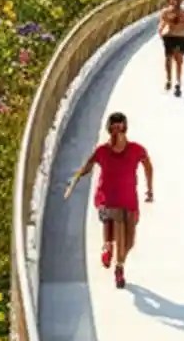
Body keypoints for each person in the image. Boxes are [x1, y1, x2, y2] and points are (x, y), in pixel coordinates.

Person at [65, 112, 154, 289]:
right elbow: (88, 166)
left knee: (130, 241)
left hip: (129, 199)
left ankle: (116, 257)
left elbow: (147, 165)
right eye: (113, 128)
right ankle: (116, 264)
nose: (116, 132)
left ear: (124, 129)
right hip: (107, 199)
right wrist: (74, 181)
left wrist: (150, 189)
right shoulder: (102, 151)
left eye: (119, 128)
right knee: (118, 222)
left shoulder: (136, 149)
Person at [159, 0, 184, 97]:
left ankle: (178, 82)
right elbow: (162, 22)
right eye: (175, 0)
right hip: (170, 37)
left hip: (181, 37)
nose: (177, 2)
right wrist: (160, 30)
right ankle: (169, 79)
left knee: (179, 60)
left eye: (179, 0)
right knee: (168, 58)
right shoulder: (166, 12)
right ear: (170, 1)